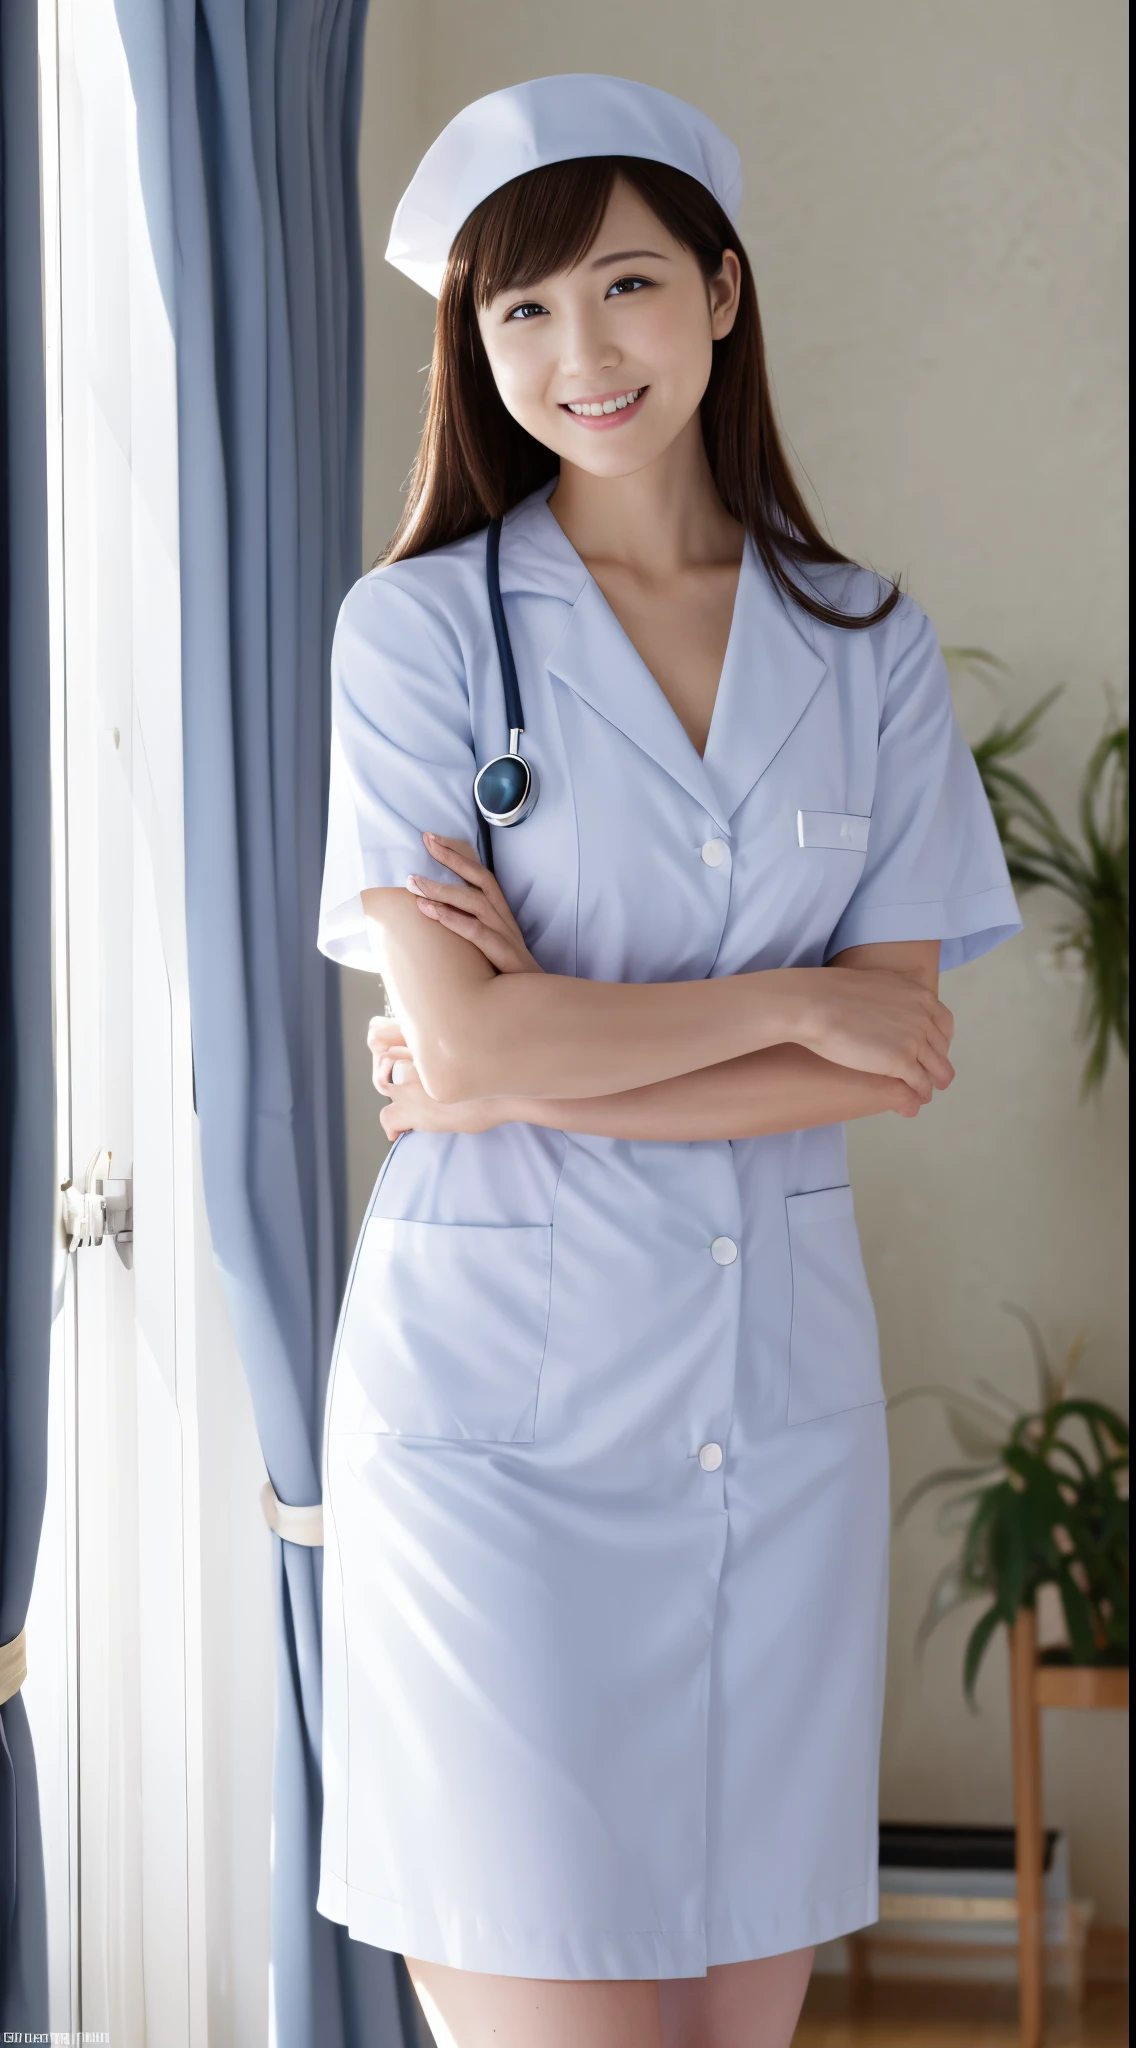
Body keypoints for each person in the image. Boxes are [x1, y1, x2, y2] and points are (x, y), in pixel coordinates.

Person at [315, 75, 1021, 2048]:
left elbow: (893, 1060)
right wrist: (783, 1001)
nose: (578, 353)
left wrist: (541, 1057)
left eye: (622, 285)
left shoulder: (864, 641)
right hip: (492, 1461)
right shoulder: (422, 632)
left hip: (769, 1446)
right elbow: (468, 1031)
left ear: (720, 292)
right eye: (520, 313)